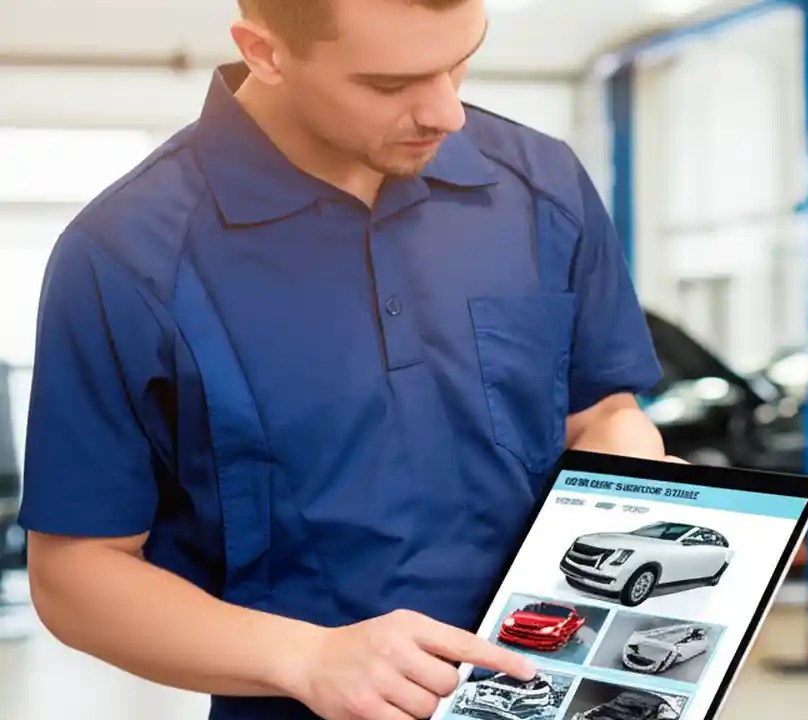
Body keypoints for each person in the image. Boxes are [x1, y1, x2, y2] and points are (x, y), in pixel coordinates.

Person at [18, 1, 672, 719]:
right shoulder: (127, 256)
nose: (447, 113)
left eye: (460, 62)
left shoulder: (541, 185)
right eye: (391, 85)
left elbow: (605, 412)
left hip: (557, 691)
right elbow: (76, 573)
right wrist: (307, 659)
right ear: (264, 52)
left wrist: (644, 501)